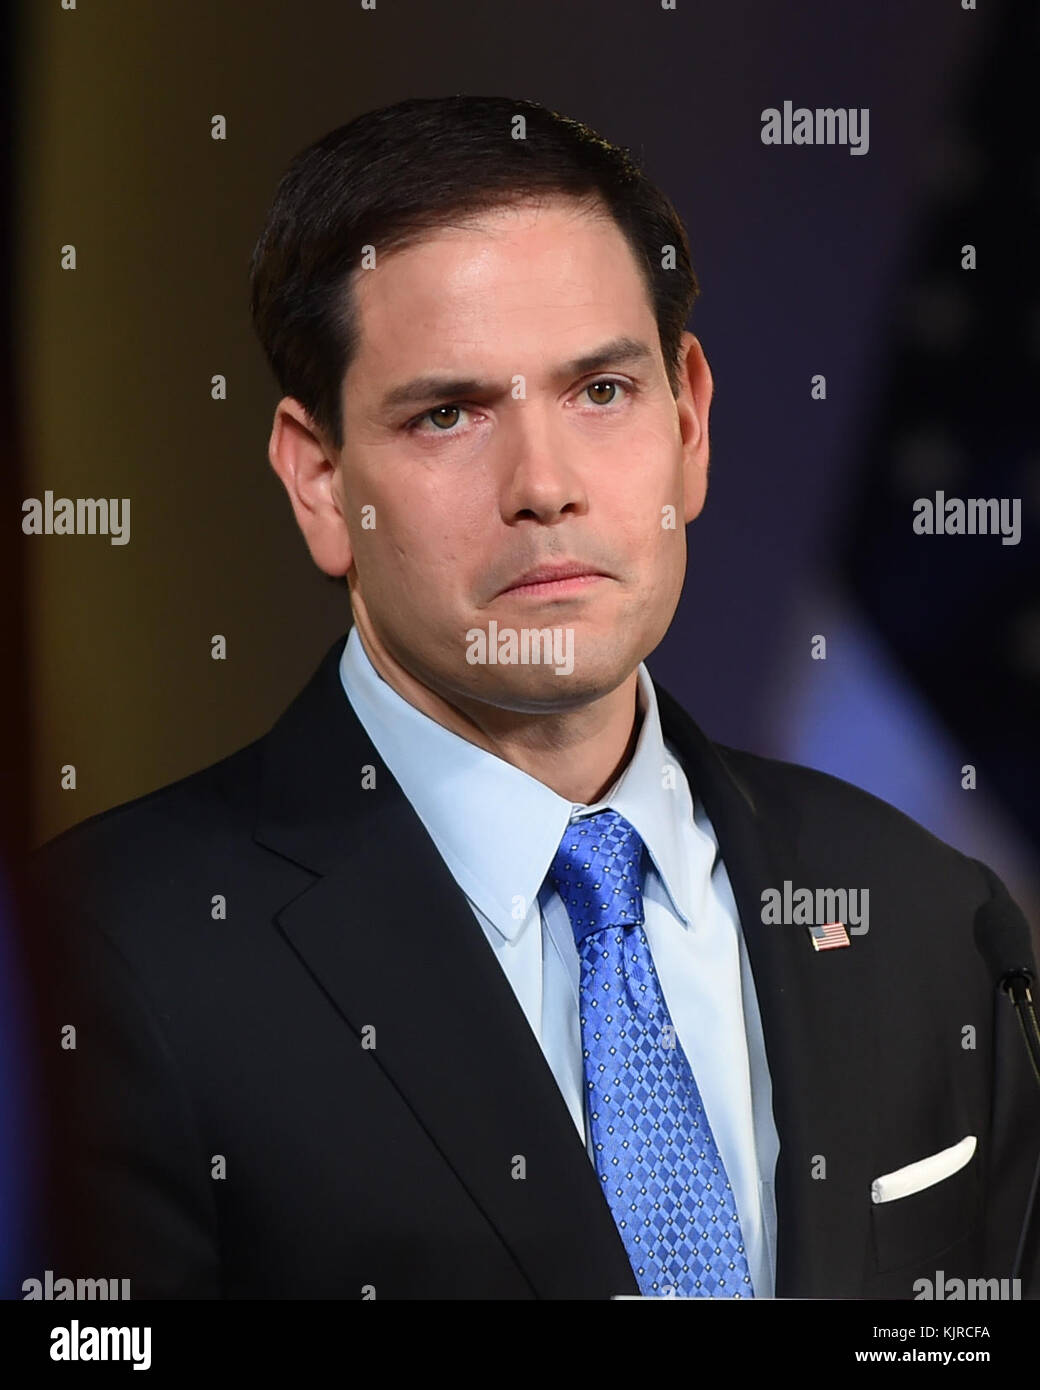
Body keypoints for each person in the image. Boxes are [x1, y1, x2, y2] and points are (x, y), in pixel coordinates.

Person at [24, 94, 1040, 1300]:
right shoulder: (96, 965)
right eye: (448, 414)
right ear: (316, 481)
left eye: (599, 392)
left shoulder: (929, 916)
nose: (543, 485)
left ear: (689, 421)